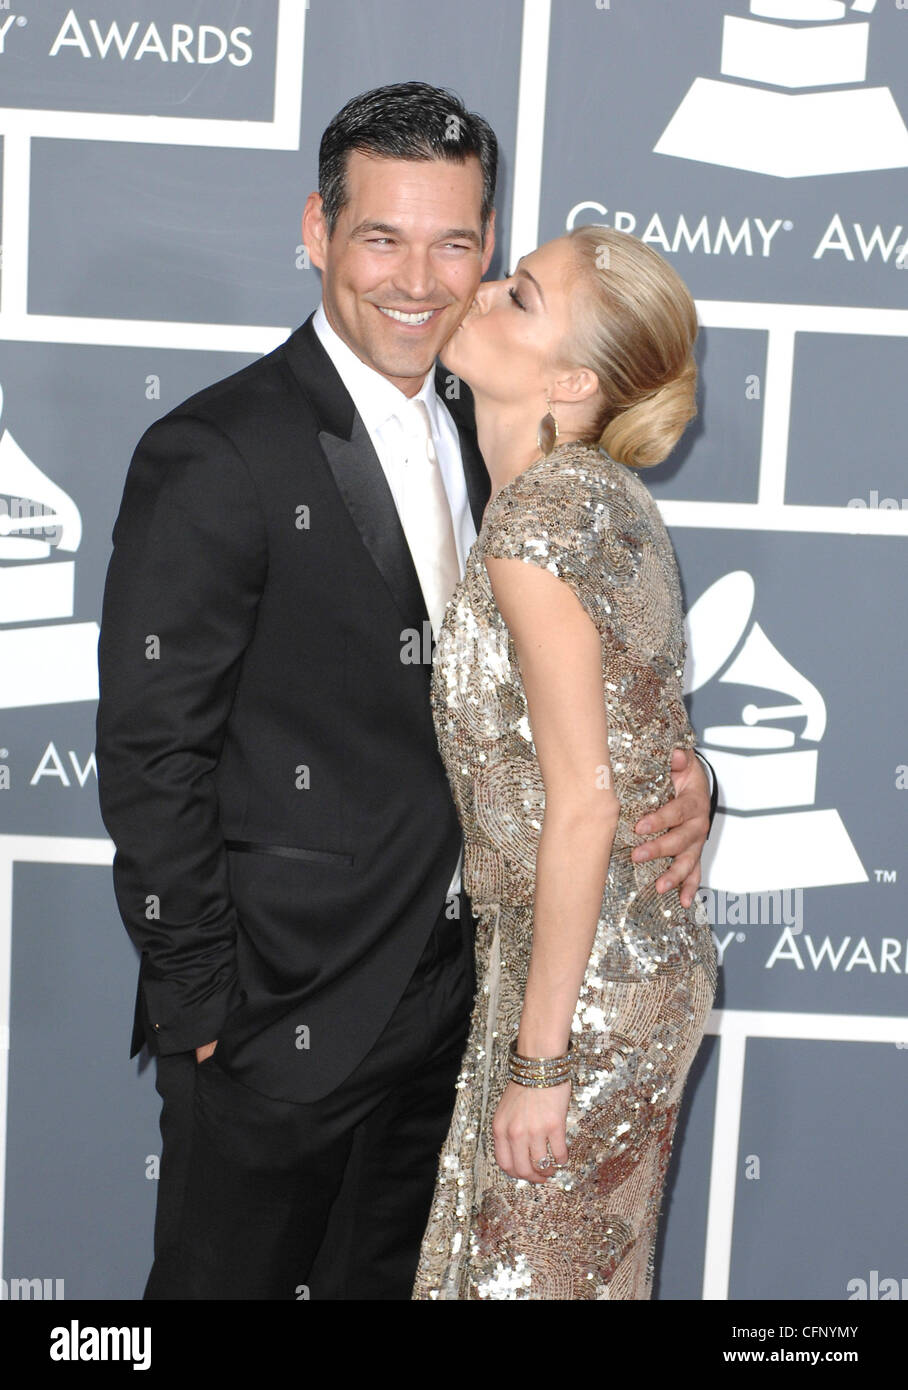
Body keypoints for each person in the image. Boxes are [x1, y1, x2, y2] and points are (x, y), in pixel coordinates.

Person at [95, 82, 714, 1301]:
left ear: (486, 242)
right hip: (282, 1016)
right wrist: (207, 1012)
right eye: (381, 236)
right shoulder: (217, 452)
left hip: (462, 1015)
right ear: (317, 232)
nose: (420, 280)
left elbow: (573, 702)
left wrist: (691, 783)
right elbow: (150, 752)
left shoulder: (511, 439)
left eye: (455, 243)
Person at [412, 226, 718, 1300]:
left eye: (520, 297)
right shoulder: (604, 500)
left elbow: (583, 803)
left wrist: (538, 1065)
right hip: (615, 968)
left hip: (579, 992)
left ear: (573, 378)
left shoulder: (538, 517)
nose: (482, 293)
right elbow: (643, 740)